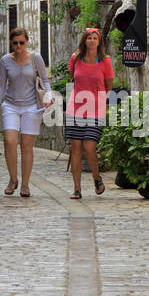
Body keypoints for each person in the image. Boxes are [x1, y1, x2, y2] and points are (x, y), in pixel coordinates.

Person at [0, 26, 52, 197]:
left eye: (22, 43)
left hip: (31, 107)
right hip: (10, 105)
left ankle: (25, 184)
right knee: (10, 141)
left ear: (27, 42)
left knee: (27, 145)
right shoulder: (5, 60)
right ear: (11, 43)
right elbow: (1, 84)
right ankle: (13, 179)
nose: (18, 46)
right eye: (15, 43)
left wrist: (48, 96)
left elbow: (45, 81)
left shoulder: (36, 58)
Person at [65, 27, 114, 199]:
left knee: (90, 146)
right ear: (84, 40)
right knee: (76, 148)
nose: (92, 40)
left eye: (95, 38)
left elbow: (109, 86)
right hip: (75, 109)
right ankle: (77, 189)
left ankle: (96, 177)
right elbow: (73, 77)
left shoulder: (105, 61)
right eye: (89, 38)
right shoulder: (76, 58)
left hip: (95, 110)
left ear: (99, 41)